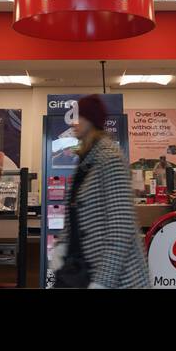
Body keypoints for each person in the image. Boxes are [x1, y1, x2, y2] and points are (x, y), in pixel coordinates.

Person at [50, 94, 148, 289]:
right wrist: (62, 244)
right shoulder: (86, 160)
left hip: (118, 278)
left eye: (80, 116)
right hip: (85, 269)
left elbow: (121, 228)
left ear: (92, 120)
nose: (74, 121)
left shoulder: (110, 158)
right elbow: (76, 211)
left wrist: (103, 281)